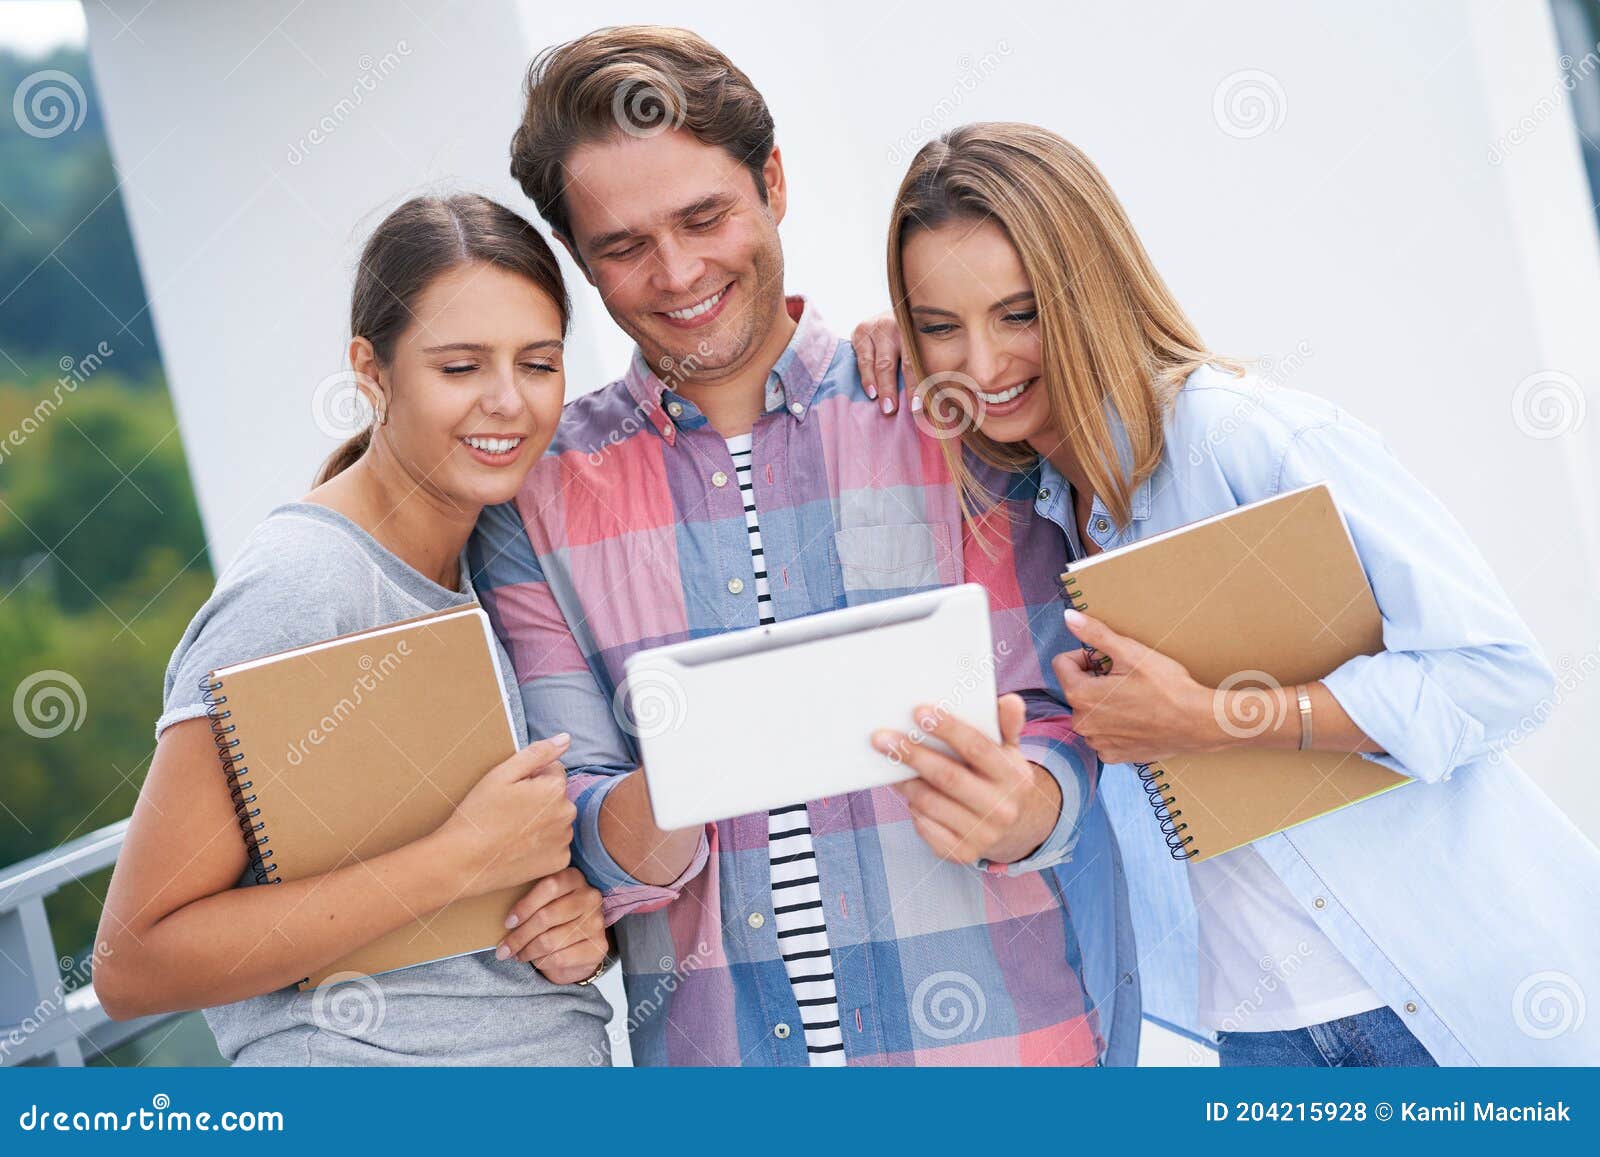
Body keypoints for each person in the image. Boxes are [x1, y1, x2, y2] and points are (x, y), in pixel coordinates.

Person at [866, 120, 1600, 1065]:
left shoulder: (1240, 436)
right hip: (1253, 1033)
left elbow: (1499, 678)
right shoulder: (1028, 512)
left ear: (1087, 291)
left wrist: (1217, 716)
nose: (982, 362)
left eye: (1020, 313)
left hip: (1441, 991)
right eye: (940, 326)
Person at [470, 26, 1119, 1066]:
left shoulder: (939, 404)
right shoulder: (534, 502)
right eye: (624, 246)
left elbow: (1061, 712)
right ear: (580, 262)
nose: (678, 272)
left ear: (771, 180)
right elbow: (577, 821)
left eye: (704, 215)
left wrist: (1023, 799)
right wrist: (678, 779)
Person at [95, 194, 613, 1066]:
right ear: (370, 372)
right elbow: (133, 962)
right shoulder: (305, 586)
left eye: (538, 362)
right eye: (458, 368)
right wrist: (463, 858)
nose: (508, 403)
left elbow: (467, 920)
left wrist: (569, 917)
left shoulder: (504, 557)